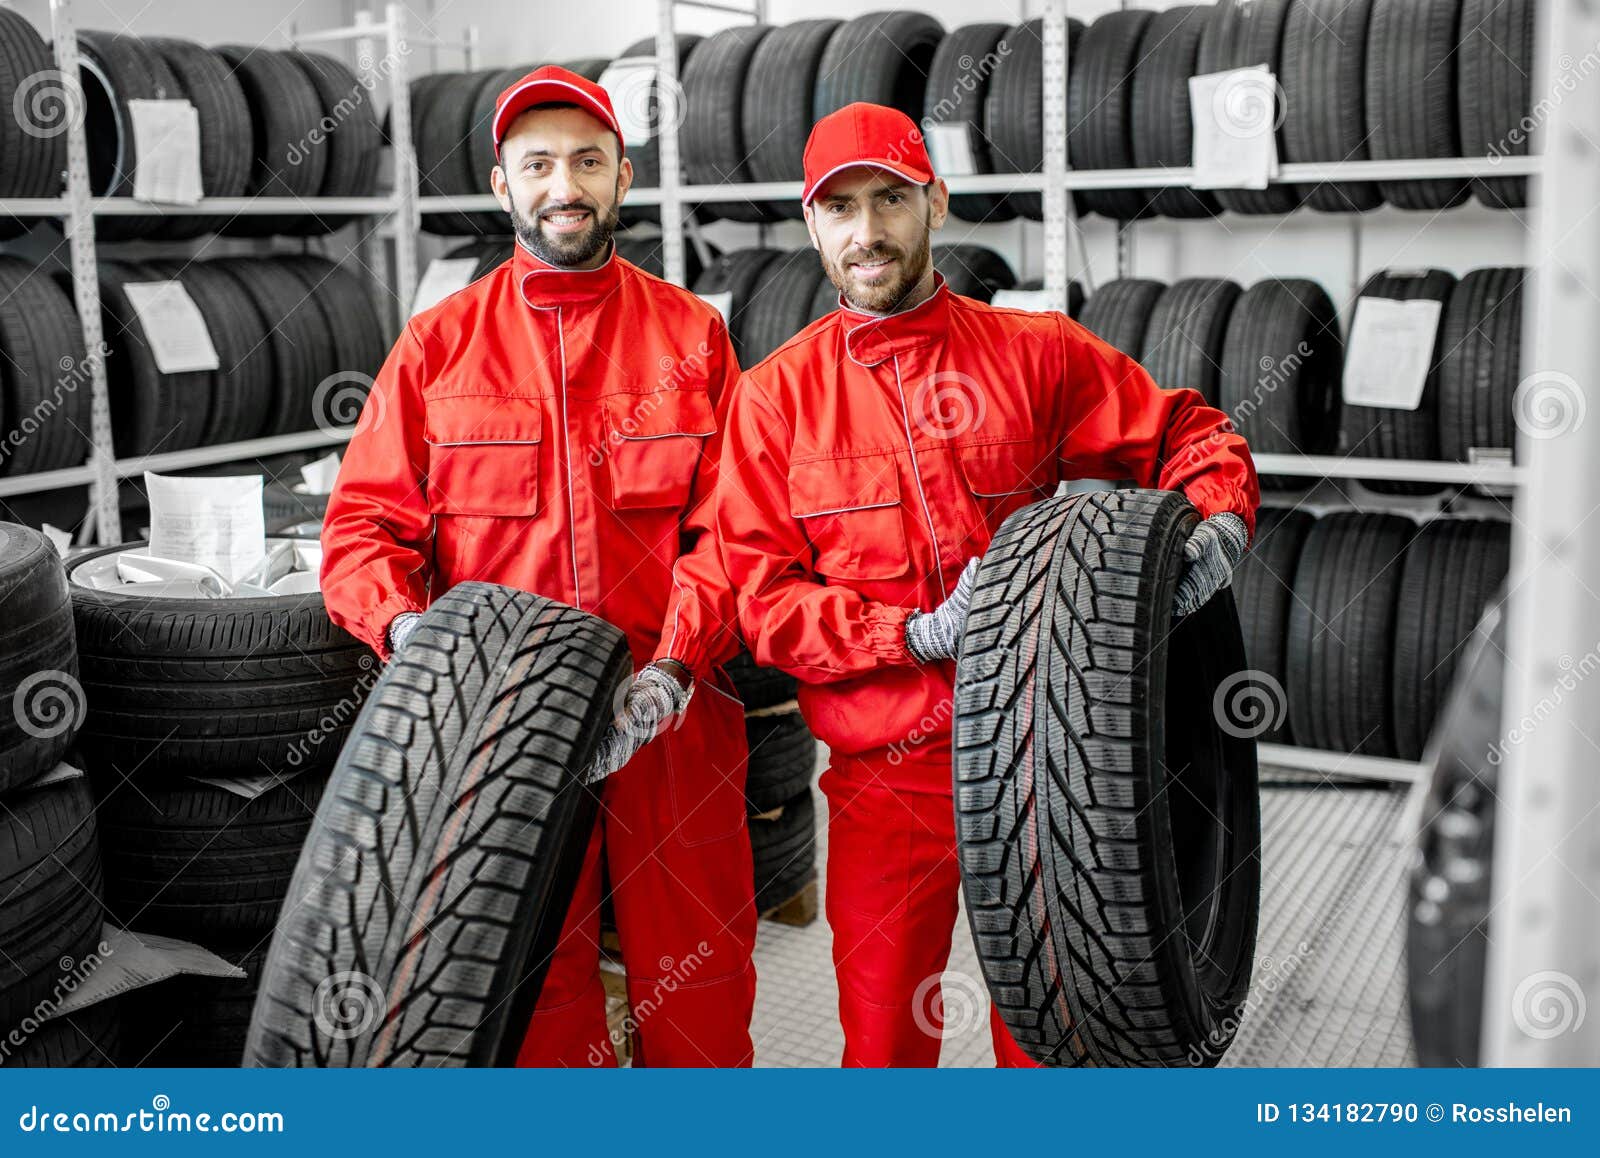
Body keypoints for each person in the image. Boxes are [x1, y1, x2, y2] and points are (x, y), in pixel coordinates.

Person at [713, 102, 1260, 1067]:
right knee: (885, 1044)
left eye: (891, 199)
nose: (868, 231)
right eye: (840, 208)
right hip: (889, 780)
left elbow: (1191, 434)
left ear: (936, 202)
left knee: (1055, 1036)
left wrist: (1216, 527)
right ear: (812, 224)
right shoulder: (774, 400)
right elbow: (763, 604)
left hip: (1053, 756)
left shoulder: (1034, 352)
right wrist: (914, 635)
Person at [319, 66, 756, 1067]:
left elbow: (733, 531)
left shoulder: (691, 336)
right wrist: (413, 637)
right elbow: (361, 531)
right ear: (501, 185)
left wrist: (675, 669)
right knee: (527, 985)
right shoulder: (438, 346)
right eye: (539, 164)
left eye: (588, 162)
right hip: (499, 724)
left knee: (699, 975)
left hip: (670, 715)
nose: (566, 184)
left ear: (623, 178)